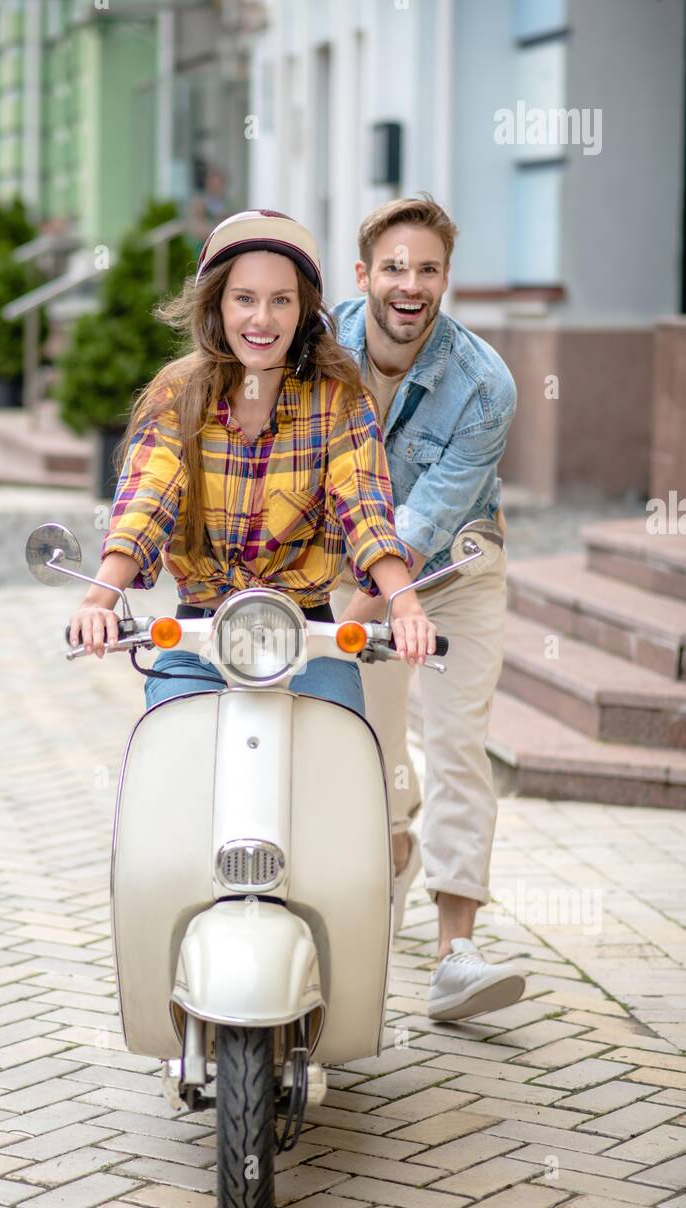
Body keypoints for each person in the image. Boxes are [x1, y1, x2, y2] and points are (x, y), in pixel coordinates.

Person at [68, 209, 437, 719]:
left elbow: (365, 502)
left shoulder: (339, 400)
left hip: (307, 636)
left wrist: (406, 604)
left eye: (281, 301)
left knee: (341, 748)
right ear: (216, 305)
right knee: (174, 750)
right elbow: (148, 497)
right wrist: (99, 598)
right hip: (200, 635)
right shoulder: (178, 395)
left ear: (303, 311)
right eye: (244, 298)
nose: (262, 319)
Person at [332, 193, 526, 1022]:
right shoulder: (314, 347)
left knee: (456, 745)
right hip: (346, 566)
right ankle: (384, 869)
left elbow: (417, 528)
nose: (410, 286)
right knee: (367, 748)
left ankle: (454, 955)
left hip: (454, 571)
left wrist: (375, 600)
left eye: (428, 270)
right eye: (395, 268)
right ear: (364, 275)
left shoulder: (485, 385)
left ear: (447, 278)